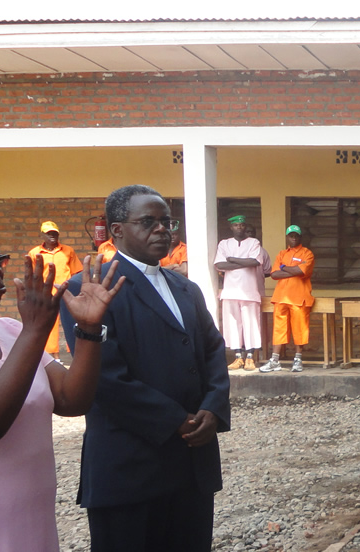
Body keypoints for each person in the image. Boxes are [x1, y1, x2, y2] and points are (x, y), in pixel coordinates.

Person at [59, 184, 231, 552]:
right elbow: (105, 377)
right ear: (117, 230)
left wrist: (213, 408)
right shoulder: (87, 289)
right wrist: (174, 419)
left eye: (167, 222)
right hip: (129, 467)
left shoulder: (185, 288)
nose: (162, 230)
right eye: (148, 222)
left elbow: (214, 350)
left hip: (191, 464)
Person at [0, 232, 123, 552]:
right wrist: (35, 330)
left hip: (31, 518)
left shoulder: (9, 330)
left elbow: (72, 400)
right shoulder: (26, 333)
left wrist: (88, 330)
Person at [214, 216, 266, 371]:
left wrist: (232, 260)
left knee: (251, 324)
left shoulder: (253, 243)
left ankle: (250, 357)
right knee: (232, 325)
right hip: (230, 291)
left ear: (245, 227)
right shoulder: (224, 244)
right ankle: (238, 357)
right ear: (231, 227)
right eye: (236, 225)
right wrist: (242, 263)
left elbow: (255, 262)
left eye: (242, 225)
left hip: (249, 291)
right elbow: (219, 264)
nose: (239, 228)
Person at [262, 226, 315, 373]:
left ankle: (298, 359)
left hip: (299, 298)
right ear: (287, 237)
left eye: (296, 236)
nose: (294, 238)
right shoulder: (281, 254)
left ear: (300, 237)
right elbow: (274, 274)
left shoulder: (307, 254)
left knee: (300, 330)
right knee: (278, 329)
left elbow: (302, 271)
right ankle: (274, 360)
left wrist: (284, 268)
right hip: (281, 297)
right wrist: (293, 270)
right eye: (291, 236)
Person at [28, 221, 83, 358]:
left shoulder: (68, 251)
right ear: (42, 235)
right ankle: (54, 356)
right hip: (47, 293)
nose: (52, 236)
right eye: (49, 234)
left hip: (67, 292)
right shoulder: (35, 253)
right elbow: (33, 275)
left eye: (55, 233)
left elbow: (76, 272)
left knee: (72, 322)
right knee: (50, 324)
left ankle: (75, 353)